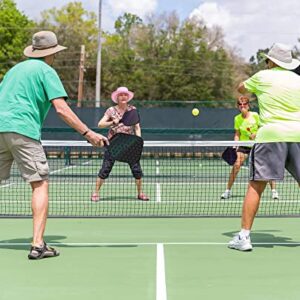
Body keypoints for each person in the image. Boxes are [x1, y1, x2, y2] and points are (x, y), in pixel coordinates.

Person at [0, 31, 108, 259]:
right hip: (22, 130)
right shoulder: (46, 71)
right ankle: (38, 245)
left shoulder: (13, 71)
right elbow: (61, 109)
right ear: (52, 54)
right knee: (39, 184)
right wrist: (88, 133)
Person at [228, 43, 300, 251]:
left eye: (267, 60)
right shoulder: (298, 80)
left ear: (271, 61)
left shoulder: (262, 76)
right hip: (297, 135)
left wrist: (254, 90)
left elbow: (241, 89)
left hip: (271, 136)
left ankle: (244, 237)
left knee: (256, 185)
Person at [91, 86, 149, 202]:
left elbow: (137, 127)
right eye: (121, 95)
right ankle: (95, 193)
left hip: (129, 145)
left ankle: (140, 193)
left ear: (128, 97)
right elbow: (100, 124)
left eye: (125, 95)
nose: (123, 97)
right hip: (114, 144)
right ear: (117, 97)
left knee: (136, 170)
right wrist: (113, 122)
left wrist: (138, 141)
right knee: (105, 169)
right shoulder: (111, 110)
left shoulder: (132, 109)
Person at [221, 96, 278, 200]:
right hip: (244, 146)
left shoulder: (255, 115)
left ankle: (274, 191)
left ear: (248, 106)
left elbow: (262, 127)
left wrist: (256, 133)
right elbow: (237, 134)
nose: (242, 106)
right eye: (240, 104)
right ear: (238, 106)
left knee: (266, 167)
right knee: (236, 165)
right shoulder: (237, 119)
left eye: (244, 104)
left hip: (257, 145)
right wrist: (235, 144)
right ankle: (227, 191)